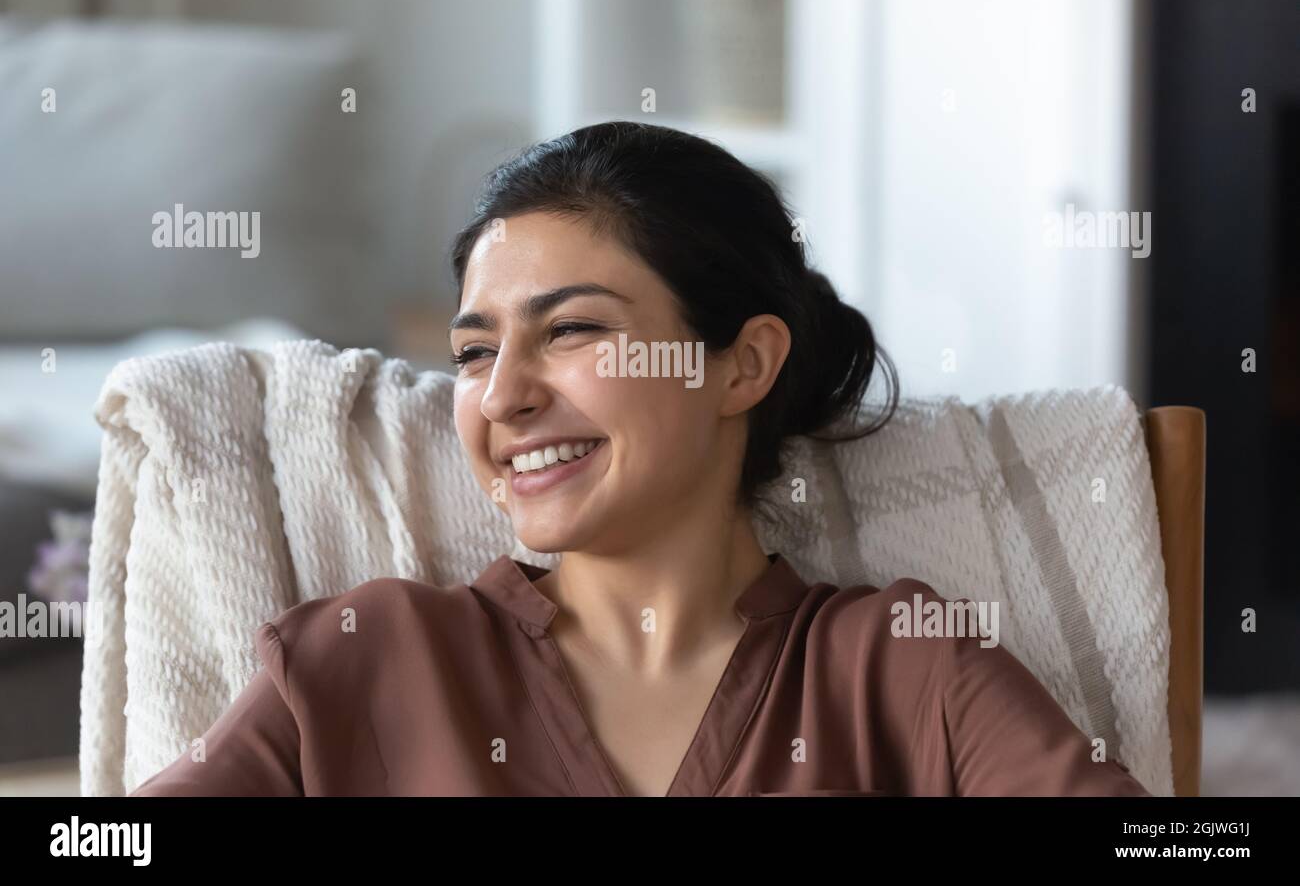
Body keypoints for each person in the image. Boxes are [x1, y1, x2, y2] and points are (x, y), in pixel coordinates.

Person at [131, 121, 1151, 796]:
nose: (503, 395)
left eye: (571, 330)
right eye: (476, 351)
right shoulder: (365, 656)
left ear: (743, 363)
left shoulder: (898, 666)